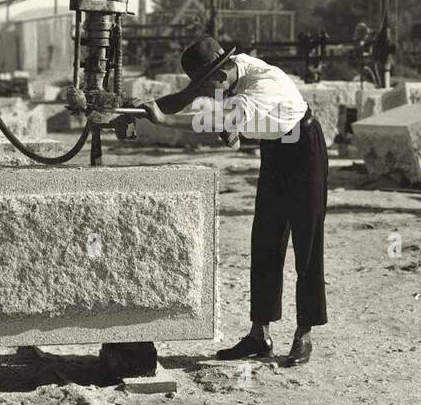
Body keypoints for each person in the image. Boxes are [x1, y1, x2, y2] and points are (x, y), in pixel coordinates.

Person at [139, 36, 327, 366]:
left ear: (222, 70)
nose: (203, 90)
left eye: (205, 83)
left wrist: (166, 120)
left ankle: (304, 333)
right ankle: (259, 334)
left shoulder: (262, 84)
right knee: (266, 239)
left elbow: (206, 121)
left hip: (304, 149)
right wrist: (142, 111)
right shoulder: (226, 73)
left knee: (306, 240)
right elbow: (184, 98)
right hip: (275, 148)